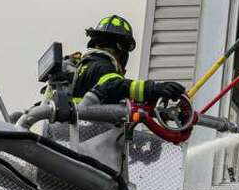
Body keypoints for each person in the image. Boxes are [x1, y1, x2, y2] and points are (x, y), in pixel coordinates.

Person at [52, 14, 186, 122]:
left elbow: (116, 99)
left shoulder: (83, 66)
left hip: (76, 134)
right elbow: (115, 87)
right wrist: (154, 89)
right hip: (87, 137)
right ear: (120, 49)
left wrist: (161, 112)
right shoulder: (102, 66)